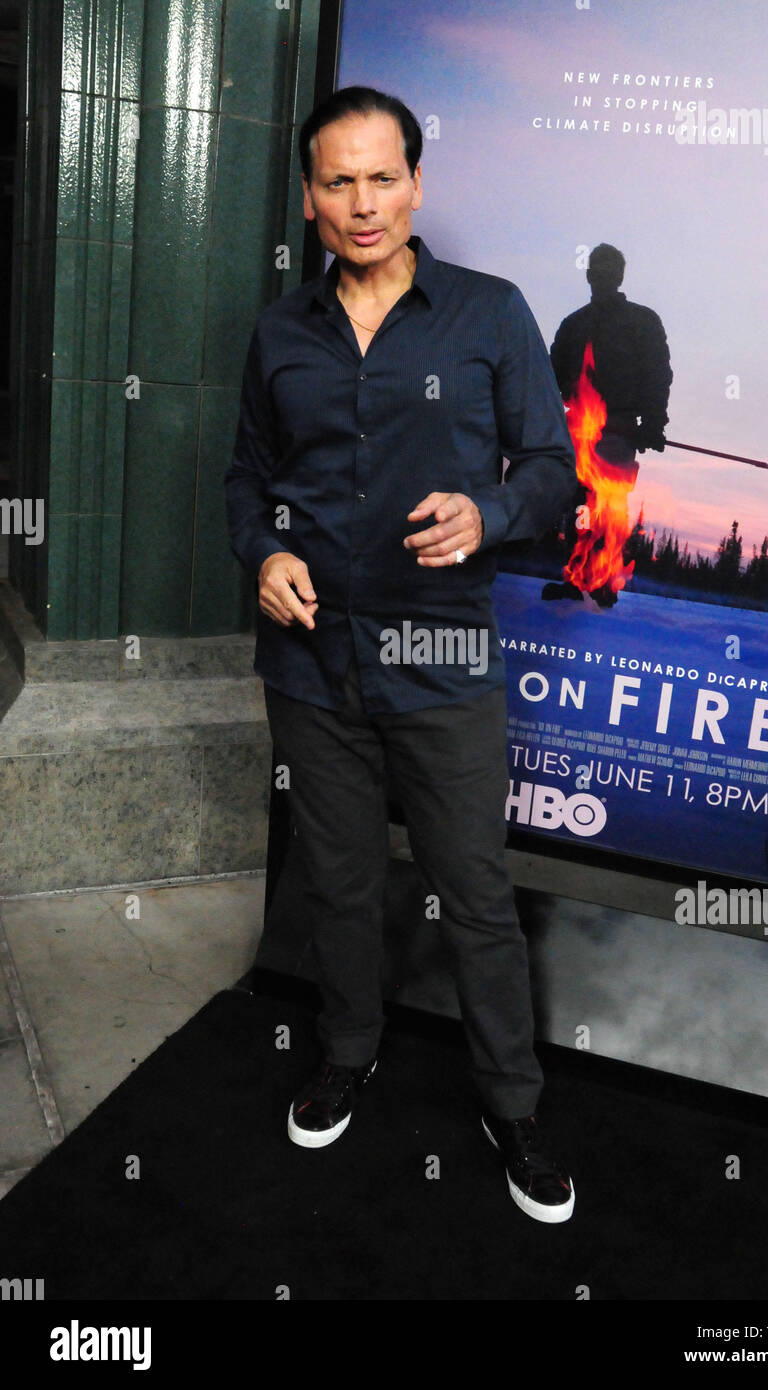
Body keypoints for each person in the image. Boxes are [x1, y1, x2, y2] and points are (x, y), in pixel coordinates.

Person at [225, 87, 578, 1223]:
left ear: (416, 185)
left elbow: (554, 476)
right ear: (310, 197)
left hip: (443, 665)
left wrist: (488, 512)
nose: (361, 202)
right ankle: (348, 1049)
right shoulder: (281, 331)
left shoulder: (488, 314)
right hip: (311, 666)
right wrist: (260, 553)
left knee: (473, 894)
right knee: (333, 880)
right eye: (337, 181)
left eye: (382, 177)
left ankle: (511, 1105)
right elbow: (247, 477)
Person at [547, 243, 672, 606]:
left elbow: (657, 374)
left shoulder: (643, 321)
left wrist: (652, 422)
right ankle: (574, 579)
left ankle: (604, 581)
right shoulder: (573, 325)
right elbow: (549, 377)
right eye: (596, 270)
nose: (601, 277)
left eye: (608, 270)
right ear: (588, 275)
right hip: (577, 431)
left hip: (618, 430)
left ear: (620, 276)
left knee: (610, 504)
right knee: (578, 506)